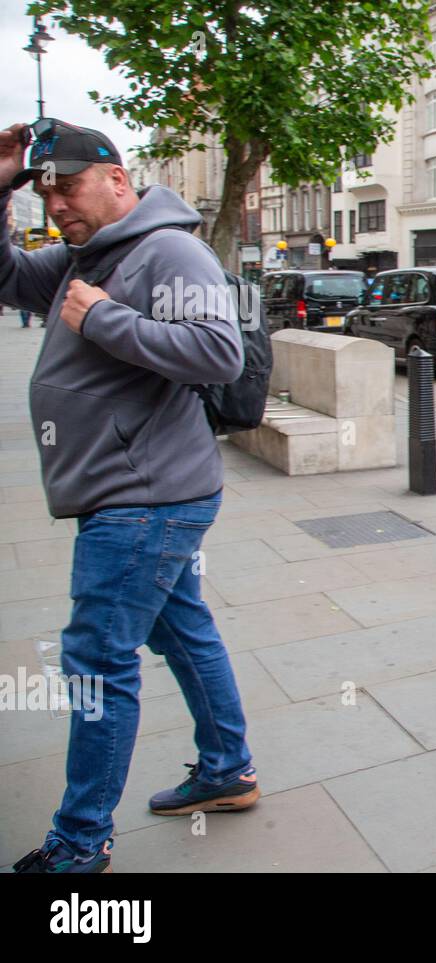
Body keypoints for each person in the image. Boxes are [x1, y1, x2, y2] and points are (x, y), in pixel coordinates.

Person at [0, 119, 257, 874]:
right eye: (45, 193)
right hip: (136, 489)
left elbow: (218, 351)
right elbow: (6, 277)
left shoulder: (167, 249)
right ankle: (227, 767)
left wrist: (102, 317)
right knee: (181, 631)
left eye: (68, 188)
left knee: (96, 660)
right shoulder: (88, 253)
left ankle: (80, 843)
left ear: (117, 179)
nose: (57, 208)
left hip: (144, 496)